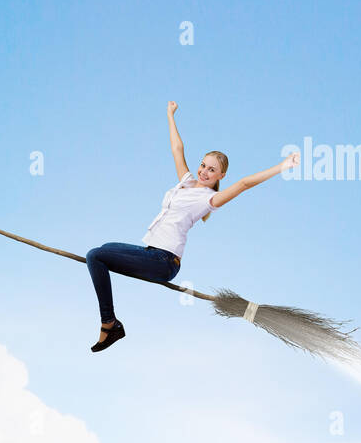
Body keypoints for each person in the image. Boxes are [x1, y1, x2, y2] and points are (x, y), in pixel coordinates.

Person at [87, 101, 300, 352]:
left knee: (95, 255)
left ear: (220, 176)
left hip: (163, 261)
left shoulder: (208, 199)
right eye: (203, 165)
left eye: (212, 170)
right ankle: (111, 321)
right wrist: (170, 114)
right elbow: (177, 148)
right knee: (105, 248)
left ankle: (109, 324)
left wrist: (282, 166)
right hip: (150, 252)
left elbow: (243, 184)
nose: (204, 172)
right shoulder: (186, 182)